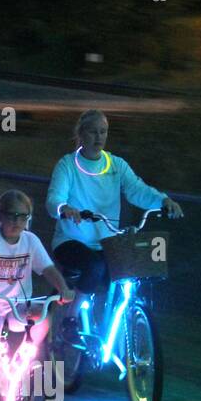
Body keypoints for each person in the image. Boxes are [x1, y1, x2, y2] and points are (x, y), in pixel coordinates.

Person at [45, 109, 183, 317]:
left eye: (103, 132)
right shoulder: (67, 165)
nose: (99, 137)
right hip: (71, 241)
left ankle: (112, 324)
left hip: (106, 242)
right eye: (93, 132)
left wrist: (163, 200)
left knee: (132, 270)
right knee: (95, 266)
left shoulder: (116, 165)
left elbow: (138, 190)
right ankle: (72, 318)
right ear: (81, 134)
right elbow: (54, 198)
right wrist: (63, 208)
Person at [0, 190, 75, 401]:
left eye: (22, 217)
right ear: (0, 215)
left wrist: (63, 288)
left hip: (17, 305)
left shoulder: (30, 241)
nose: (16, 221)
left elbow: (47, 269)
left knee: (43, 318)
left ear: (28, 219)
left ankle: (22, 360)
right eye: (11, 215)